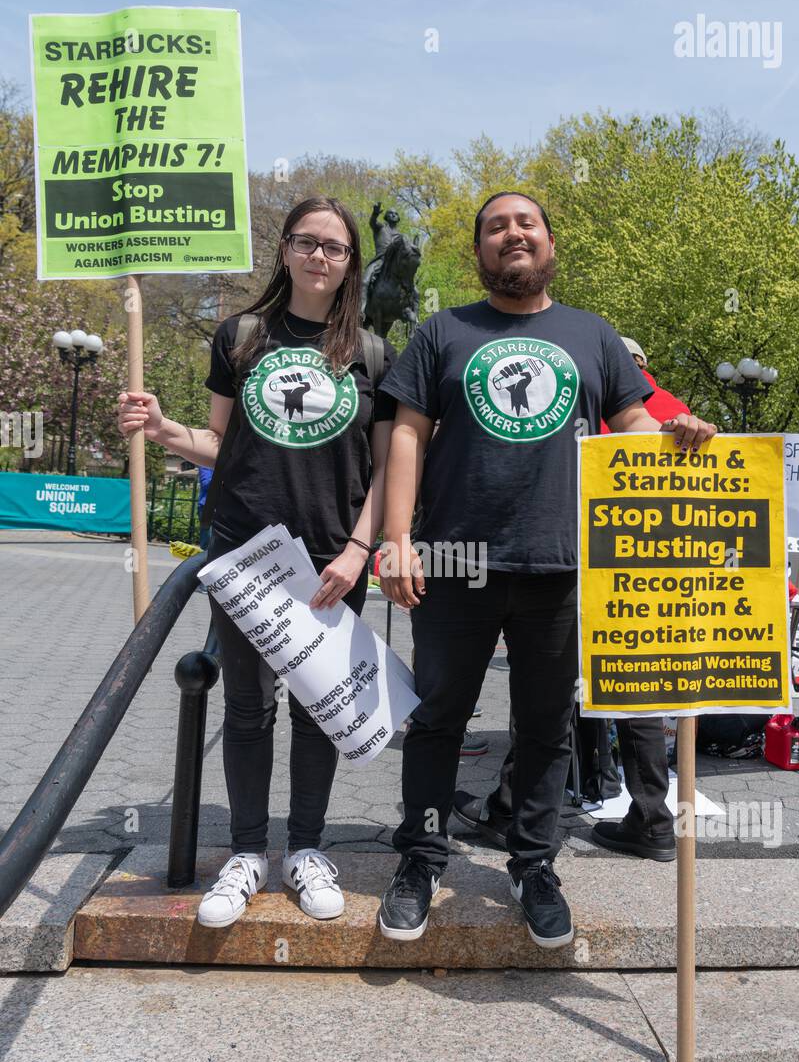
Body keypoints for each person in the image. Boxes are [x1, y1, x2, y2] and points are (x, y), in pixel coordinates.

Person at [376, 193, 716, 947]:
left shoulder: (591, 335)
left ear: (549, 243)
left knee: (544, 727)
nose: (511, 234)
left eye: (524, 223)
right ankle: (422, 857)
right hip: (453, 560)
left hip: (561, 562)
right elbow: (406, 434)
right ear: (479, 253)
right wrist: (395, 537)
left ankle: (533, 864)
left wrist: (676, 431)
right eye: (495, 227)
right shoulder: (442, 331)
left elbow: (628, 423)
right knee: (436, 722)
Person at [117, 196, 397, 928]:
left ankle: (305, 849)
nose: (318, 257)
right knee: (246, 707)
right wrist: (164, 429)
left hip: (334, 560)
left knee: (318, 709)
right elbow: (220, 444)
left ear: (348, 265)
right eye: (306, 242)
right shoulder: (240, 336)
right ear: (284, 250)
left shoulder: (370, 354)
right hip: (247, 555)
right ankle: (246, 853)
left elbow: (387, 471)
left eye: (333, 248)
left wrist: (361, 549)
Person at [454, 336, 696, 860]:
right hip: (649, 579)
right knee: (639, 696)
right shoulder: (673, 411)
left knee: (548, 690)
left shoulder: (581, 397)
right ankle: (653, 819)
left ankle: (508, 809)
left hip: (573, 569)